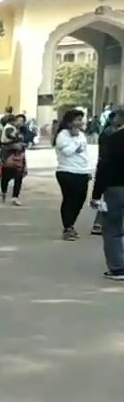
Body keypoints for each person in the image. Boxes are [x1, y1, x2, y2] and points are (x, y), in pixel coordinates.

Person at [90, 110, 124, 280]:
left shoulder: (114, 139)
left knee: (112, 229)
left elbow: (103, 166)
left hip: (116, 187)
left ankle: (118, 268)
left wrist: (96, 194)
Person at [53, 109, 93, 240]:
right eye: (76, 119)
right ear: (69, 122)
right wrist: (75, 139)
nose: (79, 122)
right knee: (70, 200)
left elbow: (84, 154)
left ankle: (71, 224)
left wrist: (88, 170)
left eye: (81, 119)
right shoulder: (63, 135)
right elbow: (67, 152)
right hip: (67, 171)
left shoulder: (82, 135)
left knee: (80, 200)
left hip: (82, 171)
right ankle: (68, 227)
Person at [0, 114, 28, 205]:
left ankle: (15, 197)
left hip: (18, 156)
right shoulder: (9, 128)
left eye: (22, 121)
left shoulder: (20, 129)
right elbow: (10, 136)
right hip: (8, 155)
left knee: (18, 176)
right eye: (17, 120)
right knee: (6, 176)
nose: (19, 123)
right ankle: (4, 192)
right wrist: (18, 138)